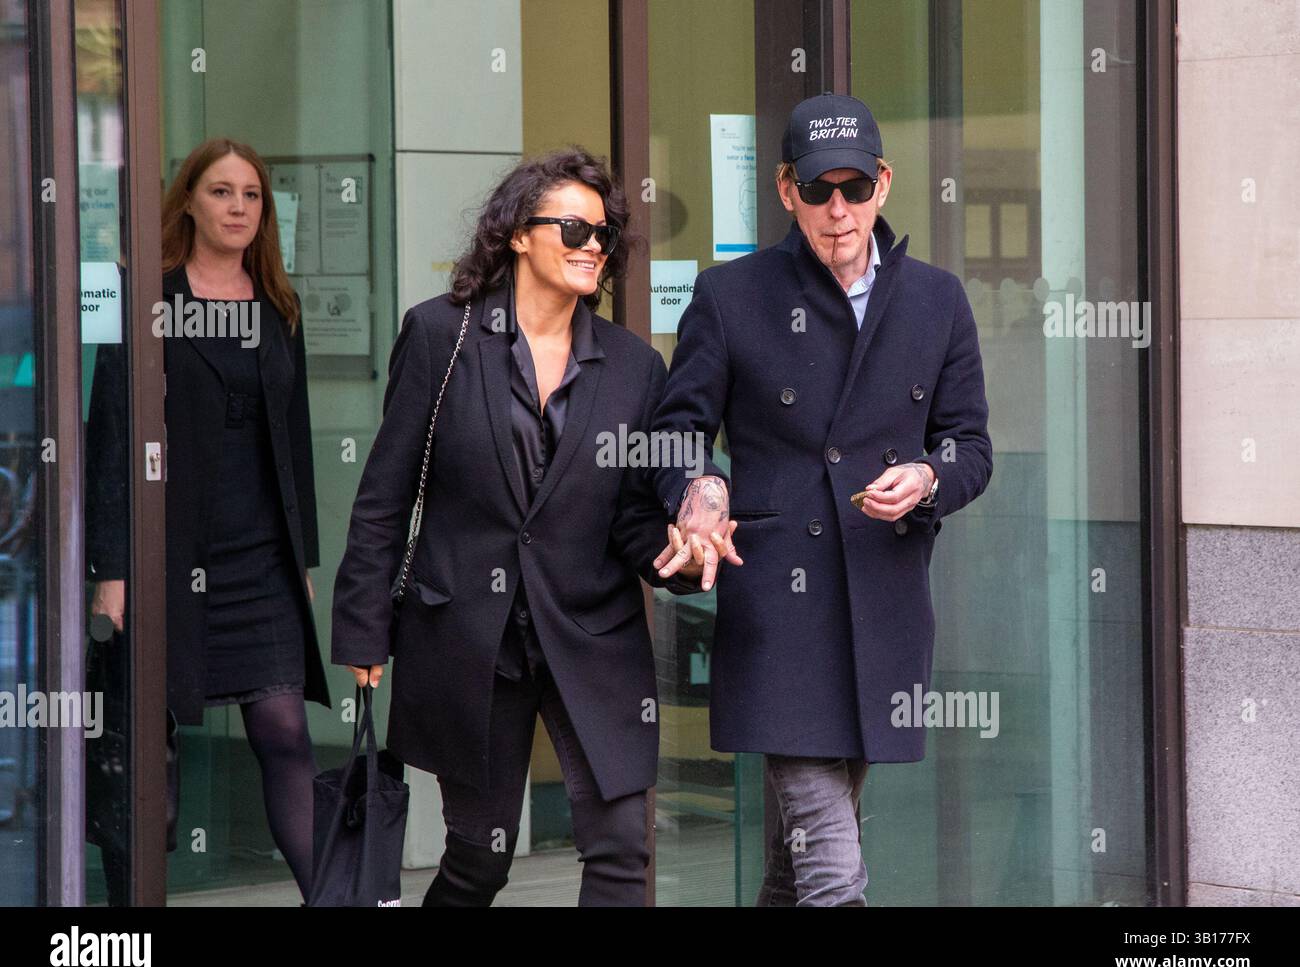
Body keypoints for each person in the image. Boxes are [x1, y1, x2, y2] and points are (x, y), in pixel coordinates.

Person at [330, 148, 732, 907]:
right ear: (518, 233)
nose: (592, 247)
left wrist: (679, 554)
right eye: (574, 229)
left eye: (604, 235)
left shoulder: (633, 367)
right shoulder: (439, 337)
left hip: (592, 634)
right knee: (480, 858)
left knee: (621, 849)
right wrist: (361, 628)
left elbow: (631, 518)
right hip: (469, 636)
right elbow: (385, 493)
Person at [653, 93, 993, 906]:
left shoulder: (938, 300)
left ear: (884, 182)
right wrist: (700, 488)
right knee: (836, 875)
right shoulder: (730, 295)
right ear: (784, 190)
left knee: (794, 865)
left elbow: (971, 446)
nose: (837, 211)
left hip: (883, 603)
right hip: (778, 608)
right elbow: (676, 429)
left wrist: (929, 480)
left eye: (853, 187)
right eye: (817, 190)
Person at [87, 138, 328, 903]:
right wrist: (112, 571)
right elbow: (111, 439)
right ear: (188, 200)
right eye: (221, 192)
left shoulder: (277, 306)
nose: (237, 208)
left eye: (251, 196)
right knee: (144, 744)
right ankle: (131, 913)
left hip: (261, 556)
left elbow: (295, 441)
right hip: (168, 551)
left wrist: (306, 563)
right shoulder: (145, 297)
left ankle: (332, 896)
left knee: (286, 733)